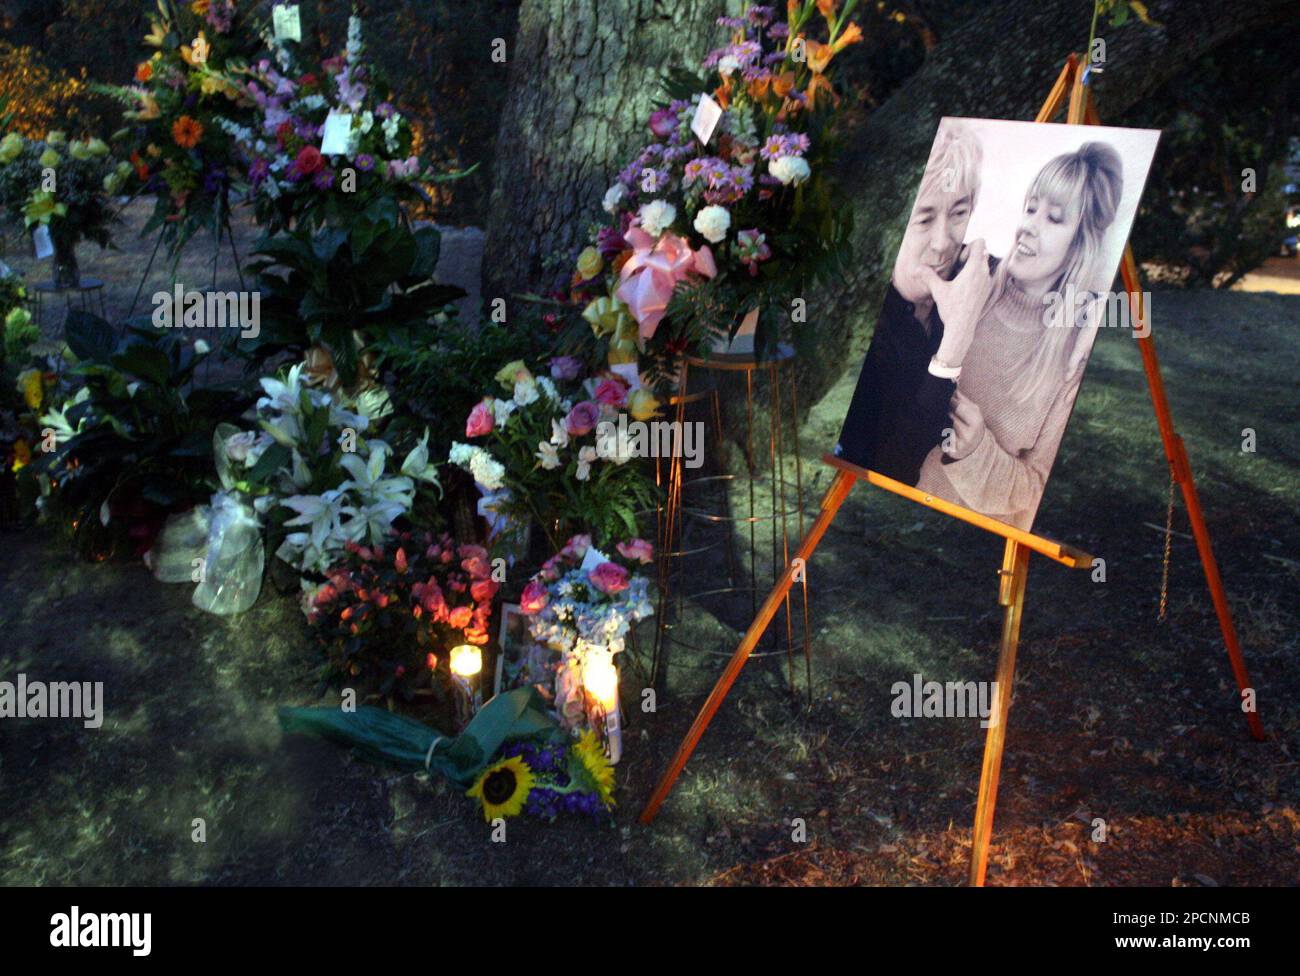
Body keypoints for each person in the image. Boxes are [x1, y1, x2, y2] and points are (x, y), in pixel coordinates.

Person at [914, 141, 1124, 530]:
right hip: (911, 511)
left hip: (983, 546)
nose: (1027, 225)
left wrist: (976, 452)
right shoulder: (968, 282)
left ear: (1082, 242)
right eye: (1031, 208)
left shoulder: (1079, 351)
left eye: (1054, 218)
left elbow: (1037, 488)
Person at [834, 123, 994, 486]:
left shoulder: (972, 279)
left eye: (958, 214)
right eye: (923, 218)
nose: (942, 243)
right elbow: (888, 467)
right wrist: (951, 350)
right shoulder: (863, 326)